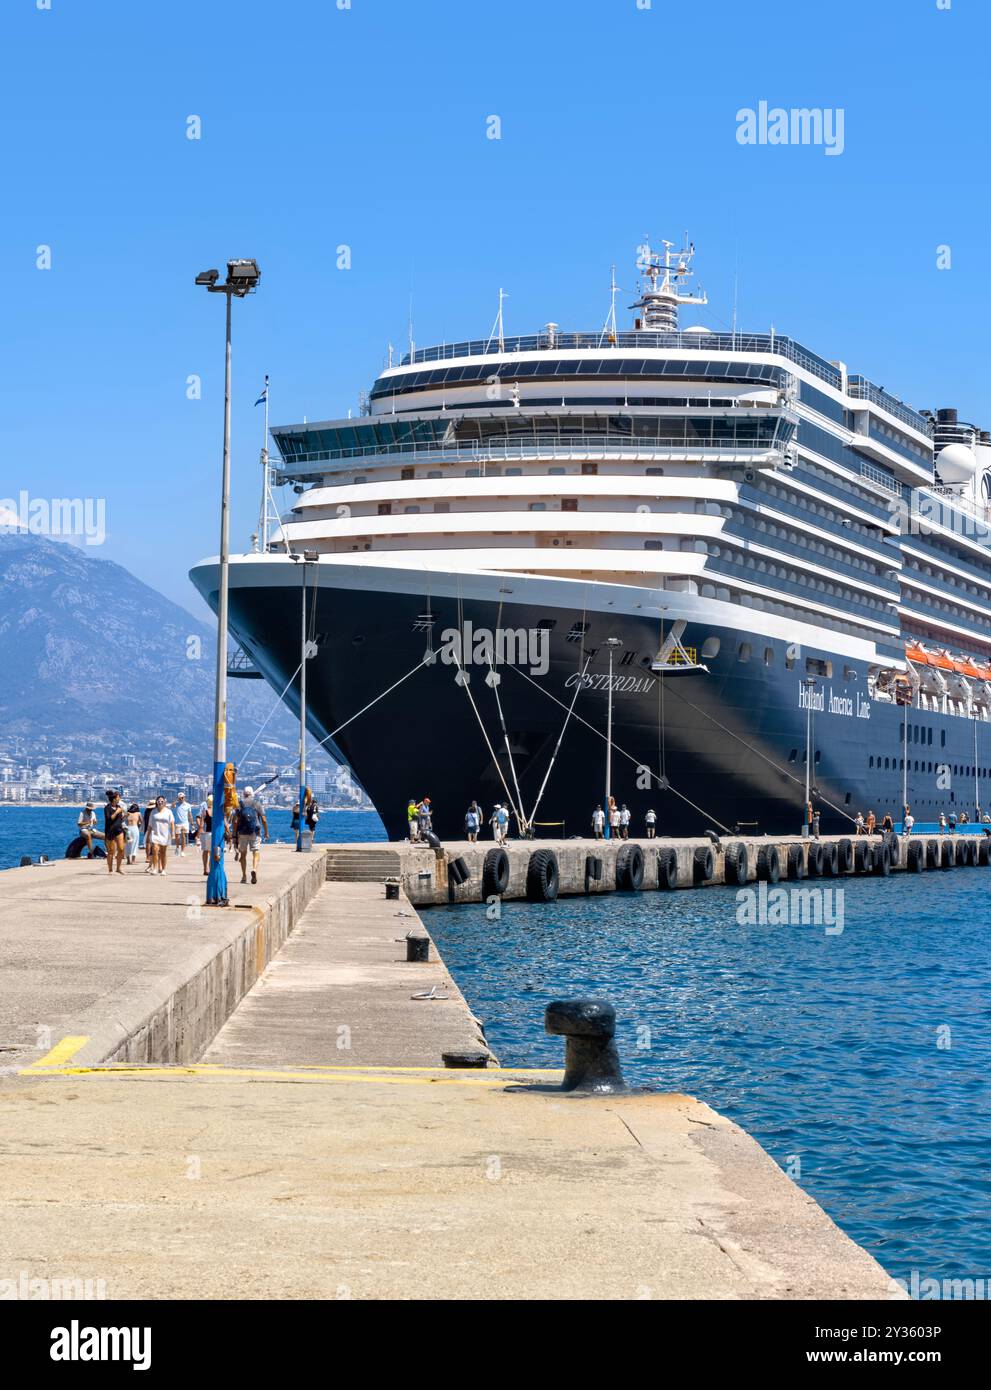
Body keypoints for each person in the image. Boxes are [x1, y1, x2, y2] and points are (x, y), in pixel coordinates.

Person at [235, 787, 265, 885]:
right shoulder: (257, 803)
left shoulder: (240, 804)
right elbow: (264, 819)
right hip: (255, 832)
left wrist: (234, 834)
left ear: (243, 794)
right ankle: (254, 869)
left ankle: (244, 876)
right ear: (252, 794)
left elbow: (235, 821)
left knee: (243, 855)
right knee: (256, 852)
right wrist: (267, 832)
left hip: (242, 833)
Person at [146, 795, 174, 875]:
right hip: (155, 834)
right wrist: (148, 836)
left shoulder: (168, 812)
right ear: (156, 802)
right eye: (158, 801)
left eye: (162, 801)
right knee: (155, 850)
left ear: (164, 802)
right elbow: (150, 825)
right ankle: (155, 868)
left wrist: (173, 834)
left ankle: (163, 869)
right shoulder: (153, 812)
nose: (160, 803)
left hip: (165, 835)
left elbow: (172, 823)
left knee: (163, 852)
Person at [103, 789, 126, 876]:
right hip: (110, 831)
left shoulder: (119, 807)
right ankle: (110, 869)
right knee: (111, 851)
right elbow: (110, 819)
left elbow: (119, 820)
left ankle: (118, 868)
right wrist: (117, 812)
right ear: (114, 799)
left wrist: (125, 817)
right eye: (118, 797)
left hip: (119, 830)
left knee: (121, 849)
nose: (119, 799)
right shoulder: (107, 808)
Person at [197, 793, 214, 875]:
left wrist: (199, 835)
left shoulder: (205, 811)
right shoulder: (218, 811)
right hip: (215, 834)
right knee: (212, 853)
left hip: (207, 833)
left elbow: (201, 825)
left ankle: (205, 868)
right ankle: (211, 869)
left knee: (205, 852)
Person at [173, 792, 192, 857]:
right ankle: (177, 847)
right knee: (177, 837)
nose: (181, 799)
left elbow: (190, 815)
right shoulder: (176, 804)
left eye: (182, 797)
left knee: (184, 837)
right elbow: (171, 807)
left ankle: (182, 851)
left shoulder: (188, 805)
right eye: (180, 798)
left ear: (184, 797)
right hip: (177, 823)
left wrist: (192, 823)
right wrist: (174, 801)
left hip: (185, 823)